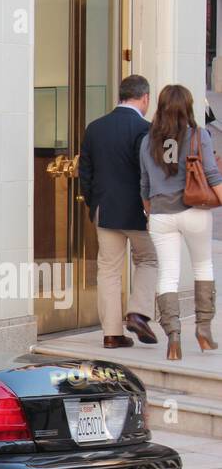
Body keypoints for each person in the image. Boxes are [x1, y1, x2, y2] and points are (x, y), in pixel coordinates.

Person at [140, 83, 222, 359]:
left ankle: (173, 337)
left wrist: (152, 212)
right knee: (203, 266)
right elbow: (212, 173)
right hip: (194, 210)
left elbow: (144, 185)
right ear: (187, 106)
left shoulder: (147, 140)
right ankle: (203, 330)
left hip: (161, 214)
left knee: (168, 274)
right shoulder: (199, 134)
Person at [79, 75, 158, 349]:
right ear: (145, 97)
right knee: (148, 260)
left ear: (121, 95)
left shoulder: (95, 127)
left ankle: (111, 334)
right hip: (138, 210)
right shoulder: (146, 129)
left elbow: (85, 172)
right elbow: (149, 174)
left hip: (105, 210)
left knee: (108, 271)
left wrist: (94, 203)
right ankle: (137, 312)